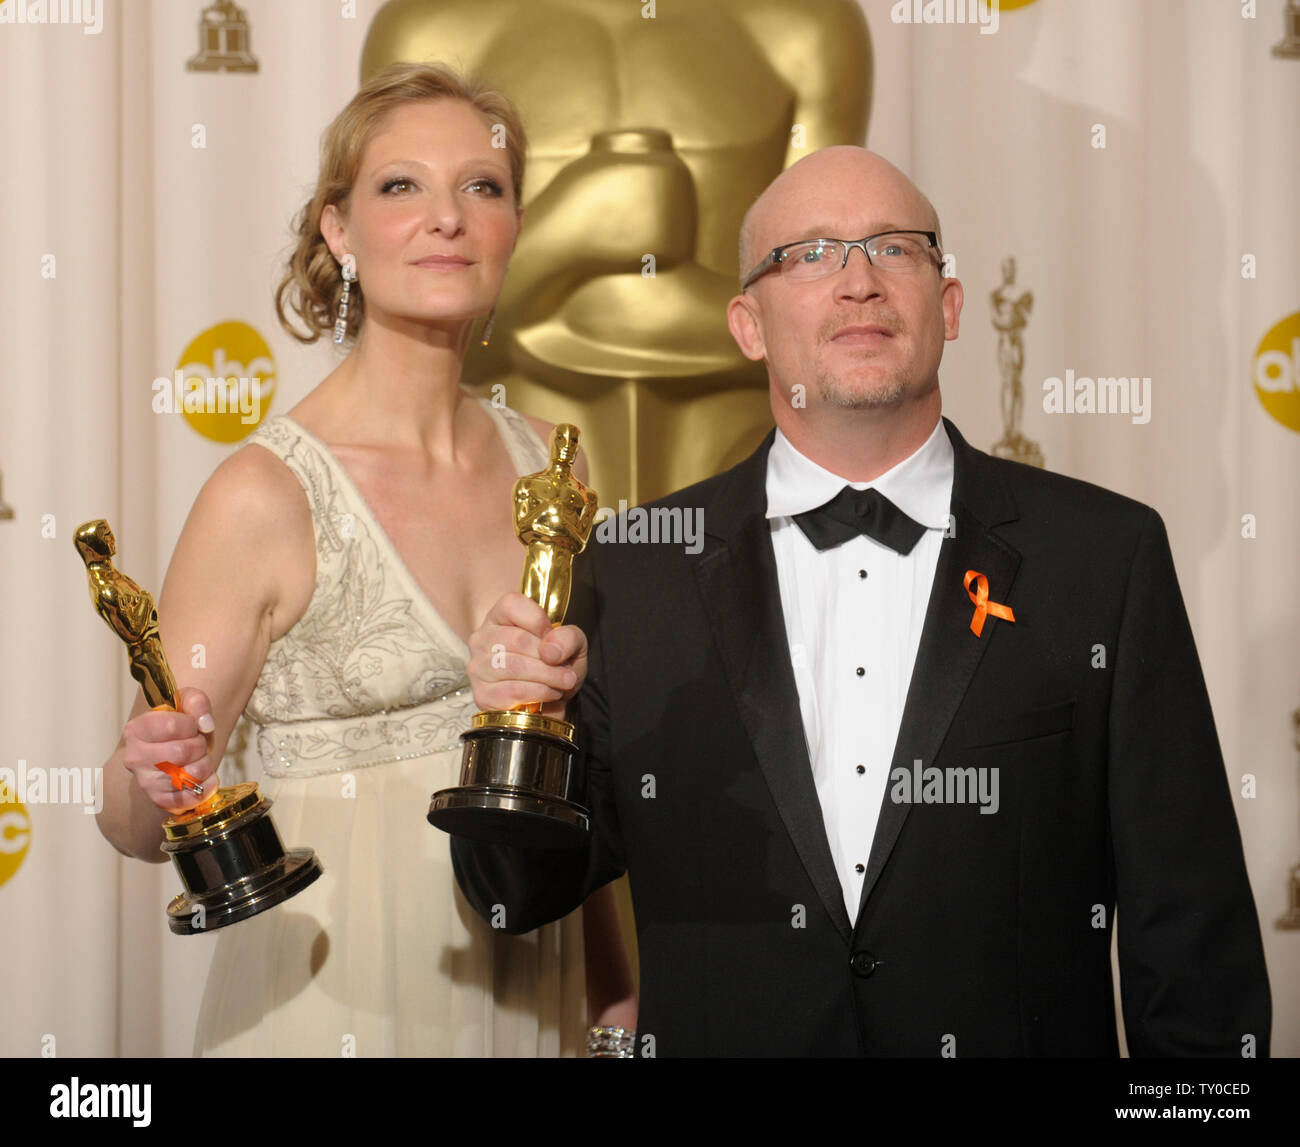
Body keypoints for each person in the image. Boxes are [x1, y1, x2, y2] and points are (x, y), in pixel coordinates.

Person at [450, 147, 1272, 1057]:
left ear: (950, 306)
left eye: (896, 249)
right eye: (809, 254)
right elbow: (516, 896)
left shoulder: (1103, 559)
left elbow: (1191, 937)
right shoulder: (634, 572)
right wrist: (518, 727)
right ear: (747, 325)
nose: (858, 282)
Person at [95, 62, 636, 1058]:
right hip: (337, 1002)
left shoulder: (551, 460)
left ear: (515, 226)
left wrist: (611, 1002)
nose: (448, 218)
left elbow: (565, 774)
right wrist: (152, 770)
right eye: (401, 186)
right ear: (337, 231)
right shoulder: (265, 495)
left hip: (533, 990)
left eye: (483, 186)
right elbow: (136, 821)